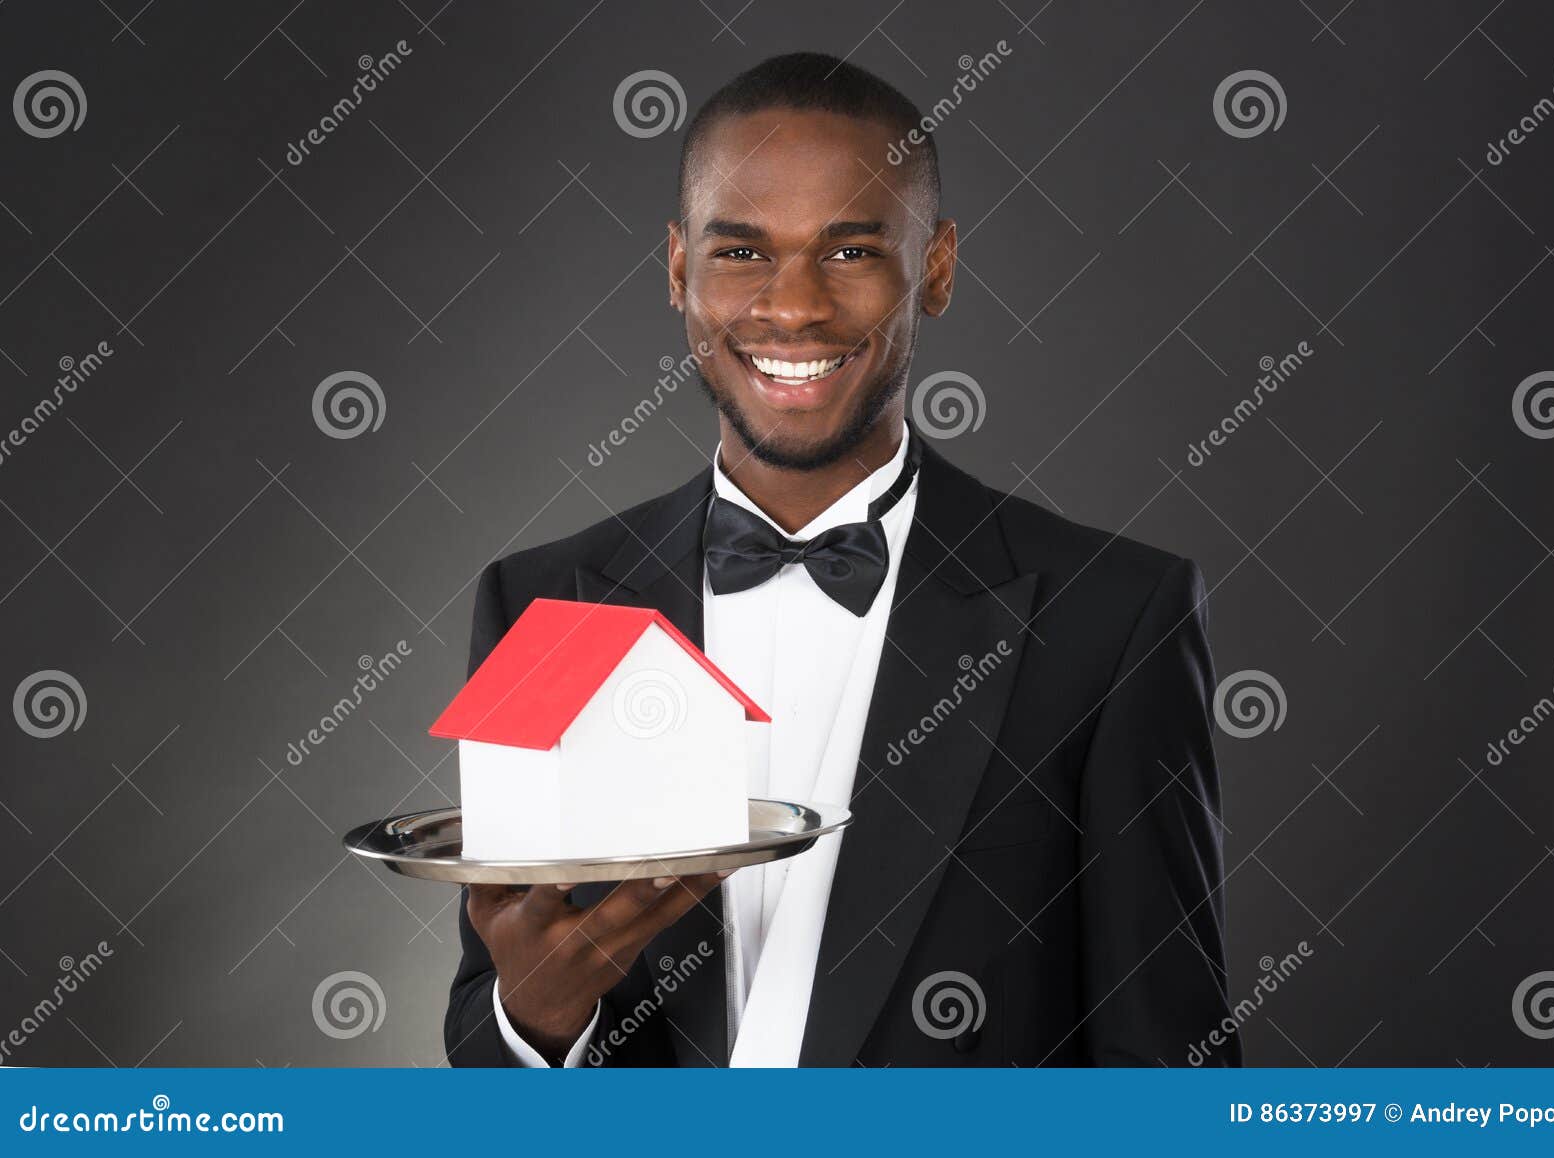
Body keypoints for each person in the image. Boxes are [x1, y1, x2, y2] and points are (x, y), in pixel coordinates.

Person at [445, 51, 1238, 1067]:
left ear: (935, 268)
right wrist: (540, 1018)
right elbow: (483, 1041)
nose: (793, 308)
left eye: (851, 253)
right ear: (678, 270)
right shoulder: (544, 604)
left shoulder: (1112, 617)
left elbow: (1168, 1066)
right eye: (741, 253)